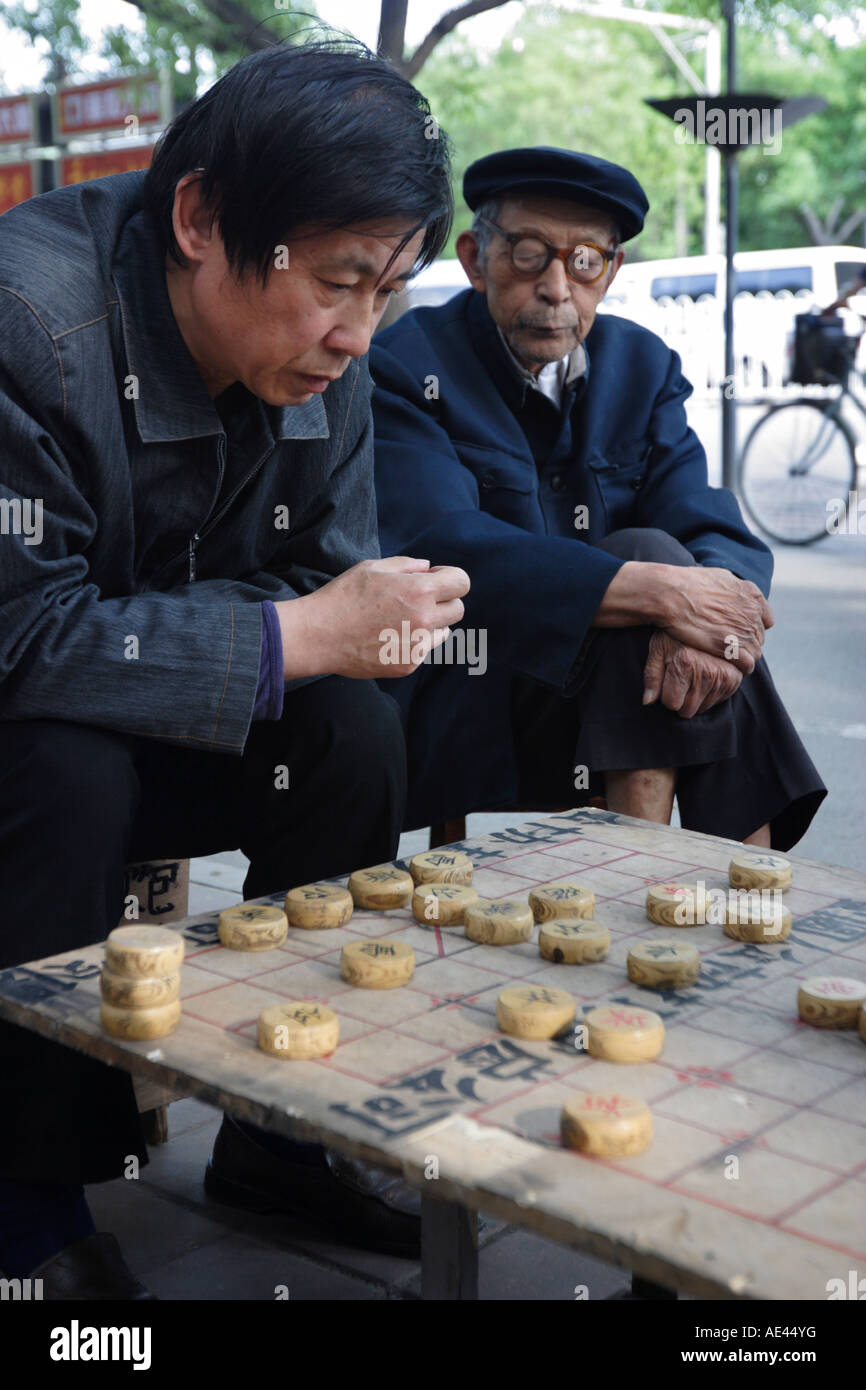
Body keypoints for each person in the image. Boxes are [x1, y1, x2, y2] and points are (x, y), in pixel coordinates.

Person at [0, 39, 468, 1297]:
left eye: (388, 289)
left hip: (159, 716)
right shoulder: (26, 317)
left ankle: (282, 1138)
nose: (356, 333)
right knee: (65, 754)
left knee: (351, 733)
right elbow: (20, 634)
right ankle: (24, 1200)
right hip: (24, 753)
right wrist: (287, 633)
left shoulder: (327, 356)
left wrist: (306, 635)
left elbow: (323, 568)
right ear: (200, 217)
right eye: (336, 281)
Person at [371, 147, 826, 844]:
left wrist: (708, 625)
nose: (557, 287)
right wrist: (652, 593)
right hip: (477, 694)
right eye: (528, 254)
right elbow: (442, 546)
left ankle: (675, 878)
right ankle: (735, 887)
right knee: (650, 576)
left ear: (609, 272)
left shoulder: (641, 367)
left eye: (586, 260)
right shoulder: (409, 363)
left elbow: (706, 520)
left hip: (627, 692)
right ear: (473, 257)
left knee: (678, 589)